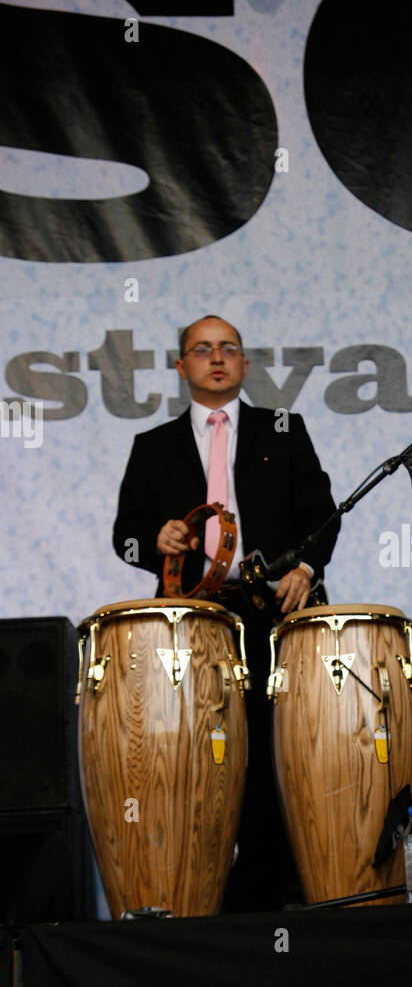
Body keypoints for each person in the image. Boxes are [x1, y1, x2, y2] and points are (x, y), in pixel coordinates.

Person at [113, 313, 340, 910]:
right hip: (192, 625)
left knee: (271, 754)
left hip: (271, 614)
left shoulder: (283, 429)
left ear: (244, 364)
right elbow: (125, 537)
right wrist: (154, 541)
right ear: (181, 365)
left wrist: (305, 569)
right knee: (197, 753)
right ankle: (197, 895)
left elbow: (323, 513)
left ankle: (269, 900)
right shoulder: (153, 446)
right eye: (202, 349)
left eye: (228, 349)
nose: (216, 358)